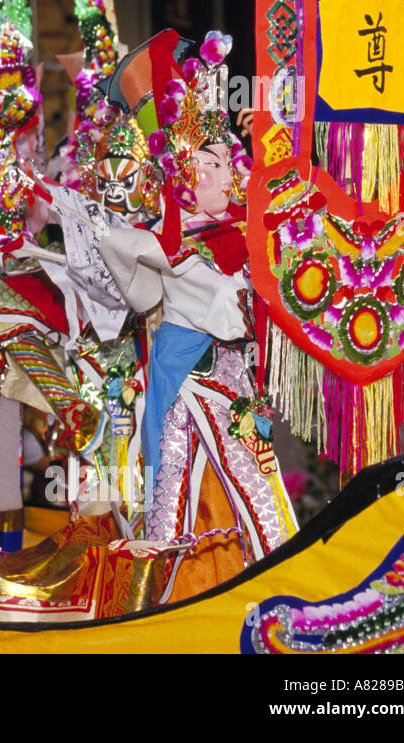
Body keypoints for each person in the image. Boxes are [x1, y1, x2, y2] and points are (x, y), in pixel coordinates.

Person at [97, 30, 297, 601]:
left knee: (237, 493)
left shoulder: (243, 226)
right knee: (182, 499)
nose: (226, 169)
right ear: (183, 174)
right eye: (207, 161)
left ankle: (272, 589)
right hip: (187, 375)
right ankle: (163, 607)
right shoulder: (173, 235)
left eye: (225, 157)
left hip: (230, 377)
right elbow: (135, 286)